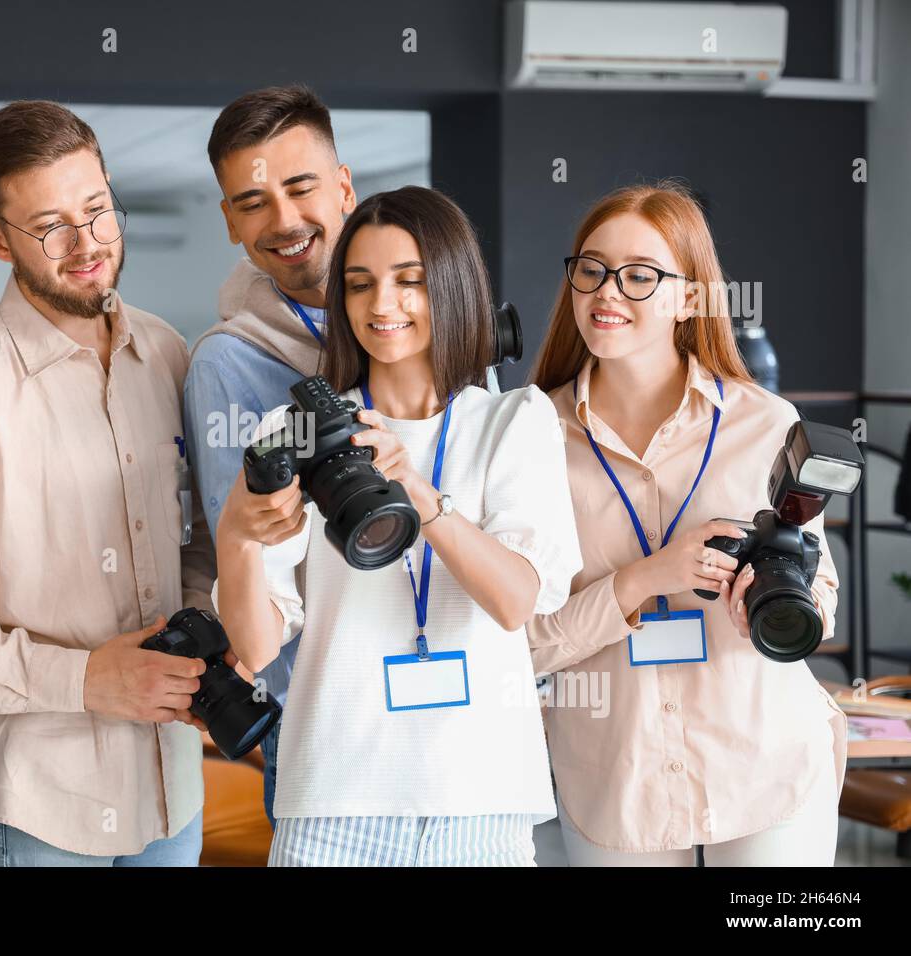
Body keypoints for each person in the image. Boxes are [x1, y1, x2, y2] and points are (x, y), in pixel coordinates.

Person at [0, 100, 216, 867]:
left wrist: (200, 640)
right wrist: (89, 679)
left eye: (97, 210)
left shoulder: (166, 353)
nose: (87, 244)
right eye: (49, 226)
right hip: (40, 808)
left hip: (173, 790)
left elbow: (193, 541)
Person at [214, 186, 582, 866]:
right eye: (359, 285)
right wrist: (237, 534)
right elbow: (257, 644)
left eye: (409, 282)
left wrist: (419, 490)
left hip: (483, 803)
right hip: (334, 804)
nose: (382, 306)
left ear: (452, 286)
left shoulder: (513, 422)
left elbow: (516, 601)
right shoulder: (298, 433)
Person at [525, 180, 846, 866]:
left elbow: (823, 595)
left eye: (640, 276)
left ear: (690, 297)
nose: (607, 292)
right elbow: (520, 643)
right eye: (591, 270)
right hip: (615, 778)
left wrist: (775, 600)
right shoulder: (527, 436)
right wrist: (640, 581)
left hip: (765, 762)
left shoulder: (765, 422)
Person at [184, 85, 356, 824]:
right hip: (325, 712)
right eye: (252, 202)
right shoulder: (227, 364)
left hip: (449, 692)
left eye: (301, 186)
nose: (283, 221)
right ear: (229, 221)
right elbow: (248, 567)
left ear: (344, 185)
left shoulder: (432, 323)